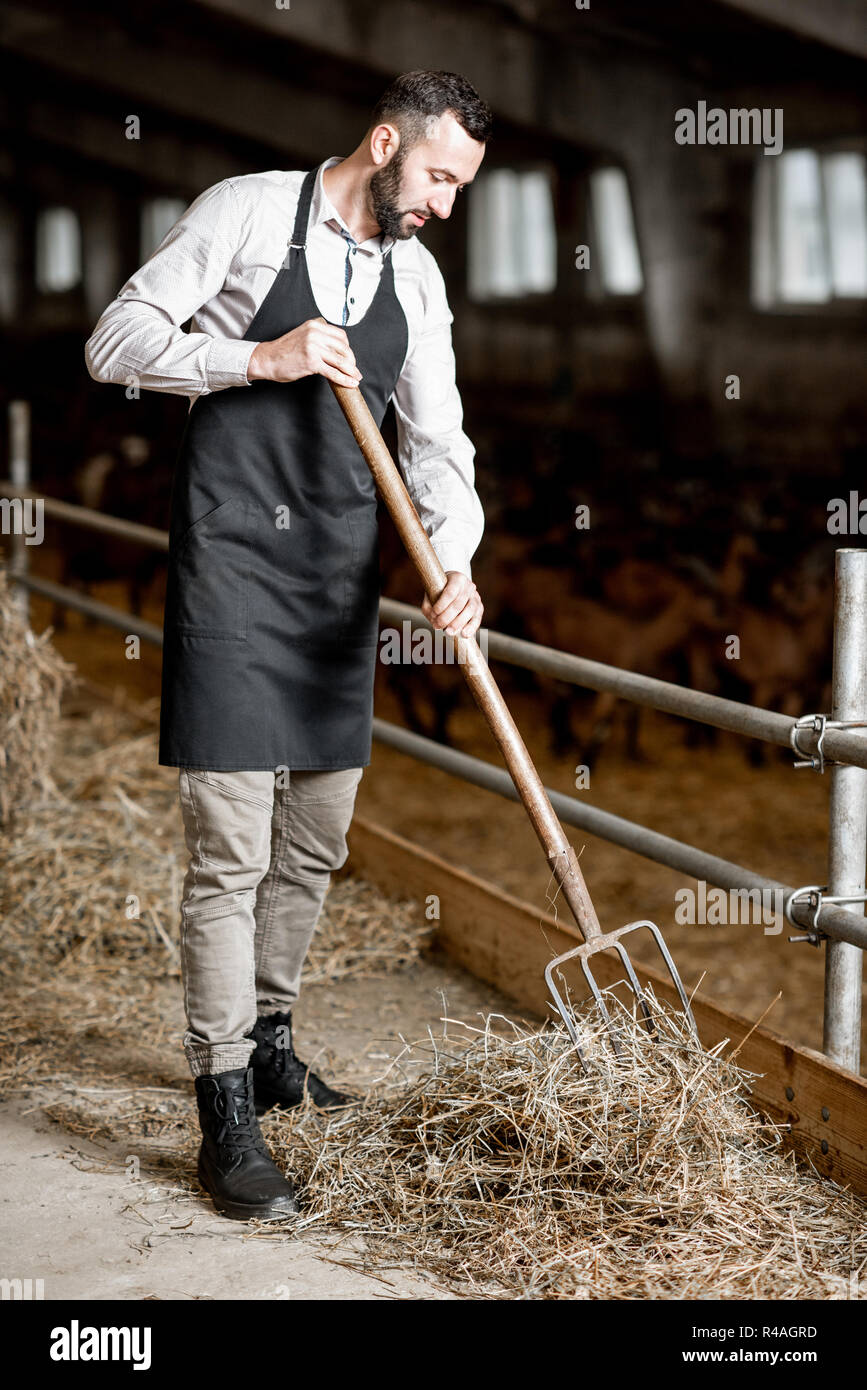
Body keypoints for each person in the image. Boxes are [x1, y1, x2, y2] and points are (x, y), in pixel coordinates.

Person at [85, 70, 489, 1220]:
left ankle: (270, 1041)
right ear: (383, 143)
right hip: (232, 576)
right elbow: (115, 341)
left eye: (462, 186)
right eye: (441, 178)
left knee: (315, 841)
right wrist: (255, 358)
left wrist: (453, 563)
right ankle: (222, 1107)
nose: (447, 206)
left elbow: (440, 446)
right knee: (232, 851)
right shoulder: (248, 215)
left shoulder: (416, 278)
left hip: (334, 590)